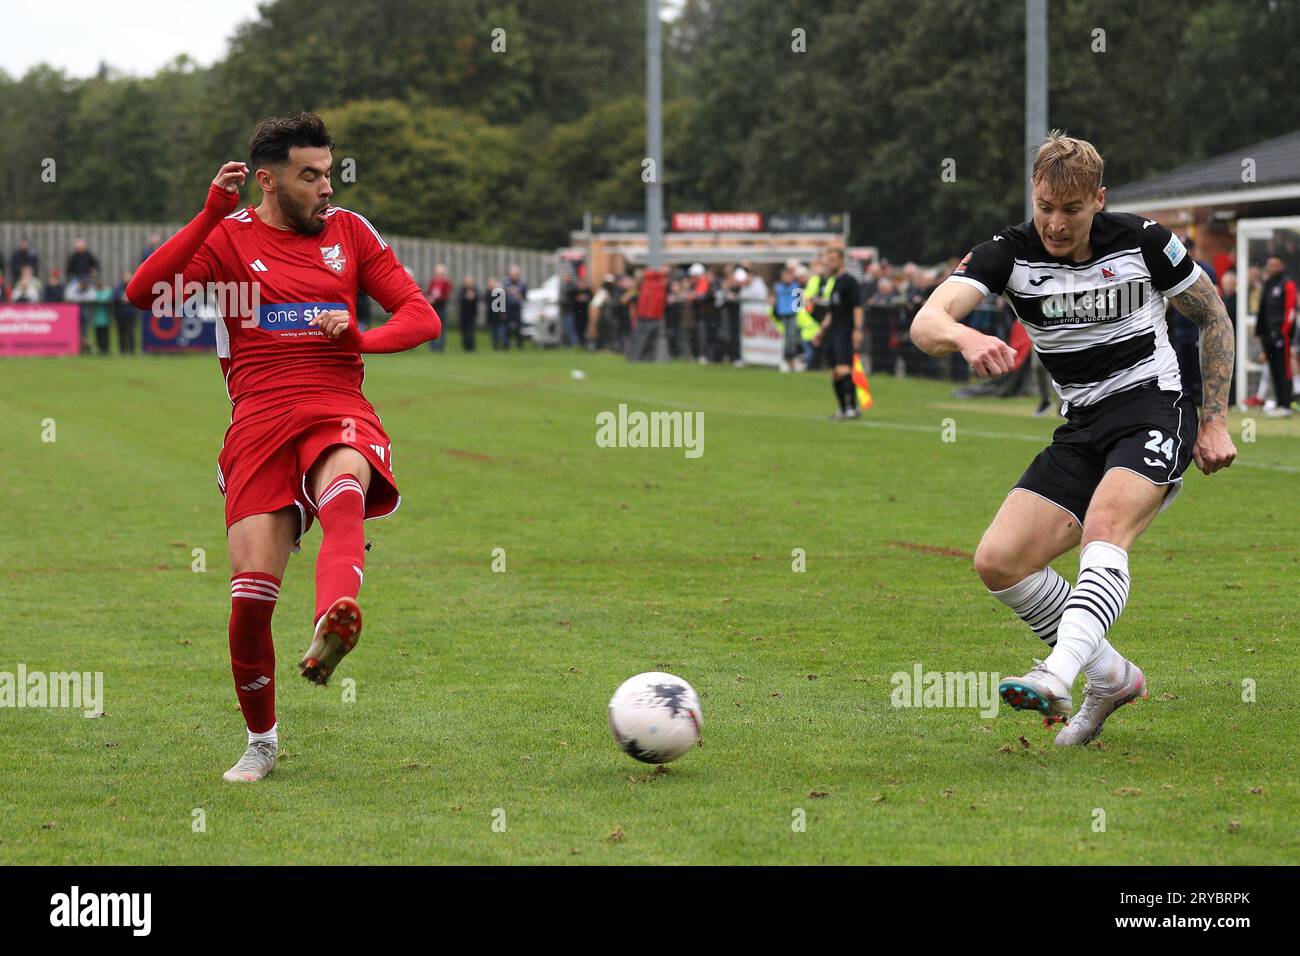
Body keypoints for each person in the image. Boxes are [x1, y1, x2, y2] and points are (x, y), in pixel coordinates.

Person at [126, 111, 441, 783]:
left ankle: (334, 614)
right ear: (266, 180)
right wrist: (210, 213)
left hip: (336, 404)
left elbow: (421, 316)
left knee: (345, 488)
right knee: (250, 602)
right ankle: (262, 742)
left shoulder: (350, 233)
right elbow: (144, 294)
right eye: (310, 176)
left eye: (328, 173)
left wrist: (357, 336)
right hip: (259, 422)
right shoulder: (228, 239)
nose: (327, 187)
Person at [912, 132, 1236, 745]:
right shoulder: (1008, 252)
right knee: (998, 562)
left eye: (1072, 209)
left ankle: (1058, 673)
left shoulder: (1144, 241)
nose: (1056, 224)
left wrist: (1214, 417)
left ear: (1099, 200)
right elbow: (927, 320)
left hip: (1153, 407)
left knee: (1103, 530)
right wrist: (966, 338)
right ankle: (1111, 675)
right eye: (1045, 207)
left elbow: (1212, 314)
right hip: (1082, 423)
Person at [811, 246, 863, 419]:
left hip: (845, 332)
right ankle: (842, 408)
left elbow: (857, 307)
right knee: (834, 372)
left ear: (841, 260)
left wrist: (857, 330)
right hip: (833, 333)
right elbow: (832, 313)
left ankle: (853, 408)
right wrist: (820, 331)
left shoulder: (850, 281)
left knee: (843, 369)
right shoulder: (835, 283)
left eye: (832, 259)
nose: (829, 263)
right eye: (828, 260)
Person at [1255, 255, 1295, 418]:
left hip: (1280, 335)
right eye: (1269, 264)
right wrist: (1260, 330)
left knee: (1283, 369)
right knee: (1273, 370)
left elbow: (1290, 310)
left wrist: (1284, 332)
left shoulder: (1287, 284)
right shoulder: (1268, 284)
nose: (1271, 267)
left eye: (1275, 265)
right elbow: (1263, 309)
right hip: (1267, 335)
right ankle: (1279, 403)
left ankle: (1286, 404)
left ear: (1282, 266)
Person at [425, 264, 451, 352]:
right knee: (431, 327)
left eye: (441, 273)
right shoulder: (433, 282)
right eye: (438, 273)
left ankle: (441, 347)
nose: (439, 275)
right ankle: (432, 347)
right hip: (432, 308)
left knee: (442, 328)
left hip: (441, 307)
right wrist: (429, 298)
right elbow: (429, 292)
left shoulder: (446, 283)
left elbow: (445, 296)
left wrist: (435, 300)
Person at [112, 270, 139, 354]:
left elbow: (137, 297)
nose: (126, 278)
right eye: (125, 276)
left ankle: (132, 351)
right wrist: (121, 299)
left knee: (130, 332)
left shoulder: (134, 286)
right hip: (120, 314)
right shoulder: (118, 287)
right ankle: (122, 351)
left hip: (130, 313)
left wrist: (129, 299)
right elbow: (114, 298)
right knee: (121, 332)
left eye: (128, 276)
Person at [503, 265, 527, 349]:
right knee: (506, 327)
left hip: (517, 308)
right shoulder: (505, 283)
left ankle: (519, 345)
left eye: (515, 273)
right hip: (507, 308)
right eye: (512, 273)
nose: (514, 275)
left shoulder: (522, 283)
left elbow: (524, 297)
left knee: (519, 327)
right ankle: (506, 345)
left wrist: (519, 296)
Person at [458, 274, 479, 352]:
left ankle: (471, 347)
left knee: (471, 331)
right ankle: (465, 347)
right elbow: (459, 299)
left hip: (472, 314)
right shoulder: (462, 290)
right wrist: (466, 297)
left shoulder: (475, 290)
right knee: (464, 331)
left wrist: (473, 297)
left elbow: (478, 298)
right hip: (463, 314)